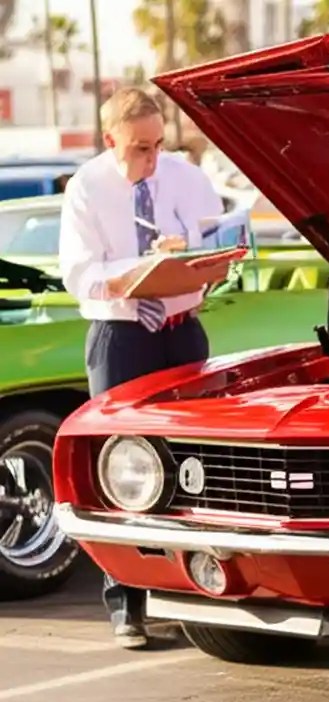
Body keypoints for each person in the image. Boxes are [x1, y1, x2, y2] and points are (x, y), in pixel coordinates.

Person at [58, 87, 225, 649]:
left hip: (182, 334)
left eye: (158, 145)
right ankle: (125, 605)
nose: (152, 159)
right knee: (119, 467)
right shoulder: (87, 187)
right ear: (110, 141)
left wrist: (201, 260)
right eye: (139, 149)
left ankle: (202, 595)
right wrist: (142, 269)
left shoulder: (186, 177)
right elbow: (78, 273)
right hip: (122, 337)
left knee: (198, 465)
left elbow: (219, 242)